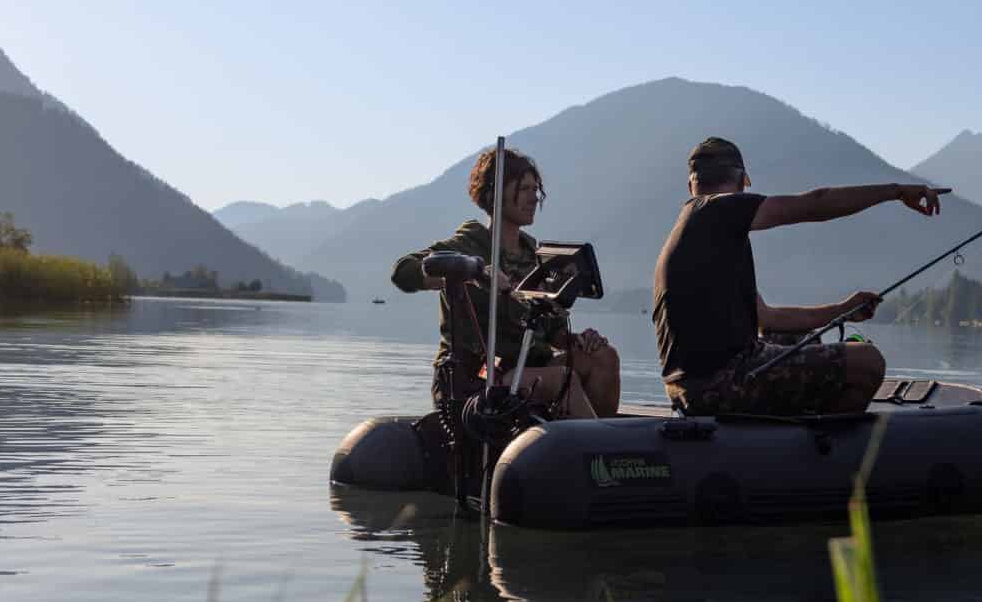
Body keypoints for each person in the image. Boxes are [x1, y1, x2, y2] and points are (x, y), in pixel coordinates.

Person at [651, 136, 947, 416]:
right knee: (868, 362)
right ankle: (823, 448)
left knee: (794, 338)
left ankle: (792, 428)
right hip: (720, 385)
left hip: (688, 389)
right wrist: (896, 191)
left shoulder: (694, 231)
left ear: (691, 185)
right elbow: (815, 203)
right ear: (742, 181)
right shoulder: (719, 209)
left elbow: (767, 320)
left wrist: (842, 310)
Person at [392, 145, 620, 418]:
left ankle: (598, 443)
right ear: (494, 194)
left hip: (525, 368)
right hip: (478, 375)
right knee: (561, 378)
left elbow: (554, 334)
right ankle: (593, 454)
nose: (534, 198)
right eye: (524, 189)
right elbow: (403, 272)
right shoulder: (467, 244)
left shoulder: (534, 256)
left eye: (535, 190)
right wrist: (472, 271)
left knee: (604, 358)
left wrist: (580, 340)